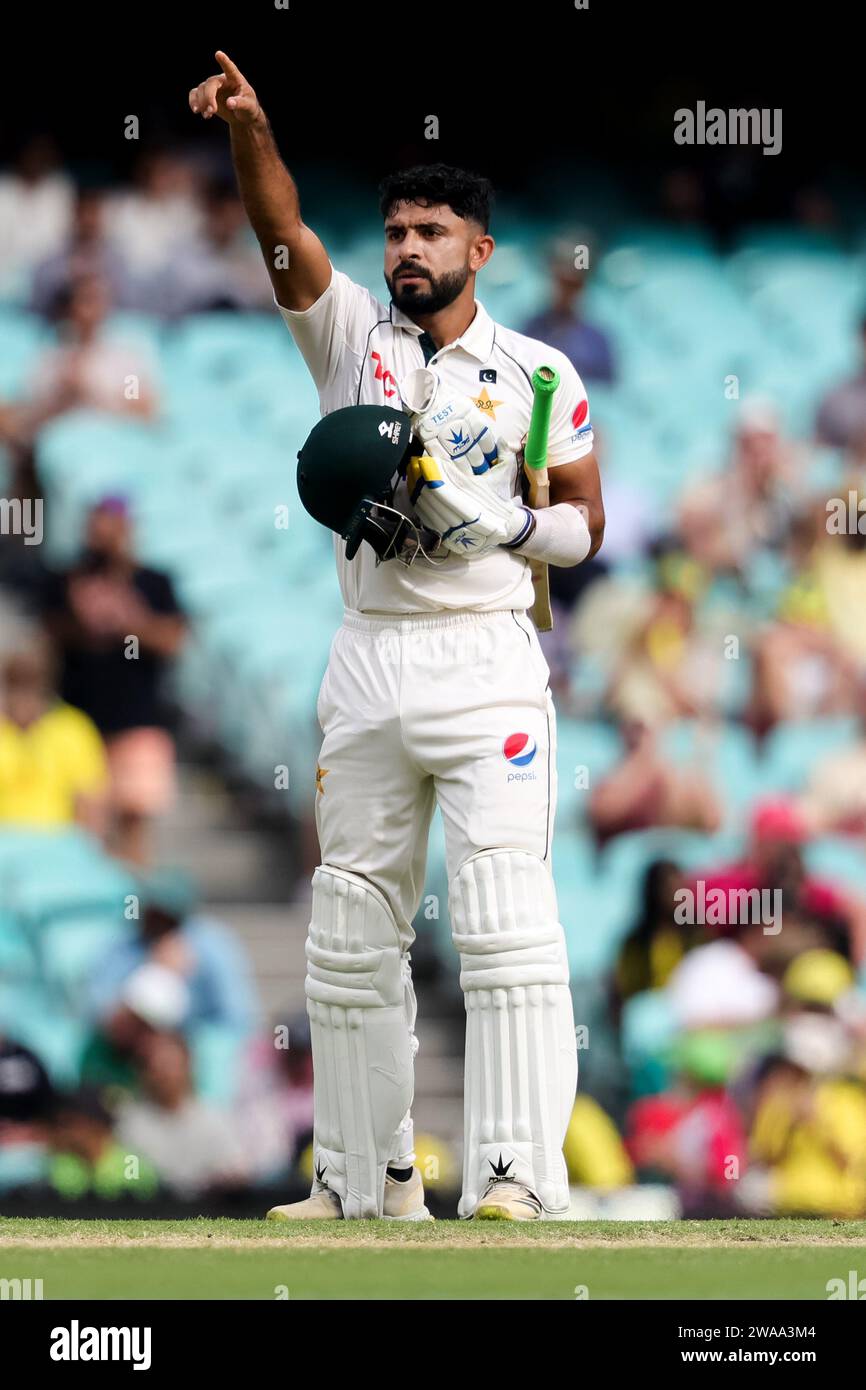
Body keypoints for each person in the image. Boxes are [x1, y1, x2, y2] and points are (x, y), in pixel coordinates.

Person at [189, 51, 605, 1222]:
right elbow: (279, 234)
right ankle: (356, 1181)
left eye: (431, 230)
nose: (406, 247)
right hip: (368, 655)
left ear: (480, 250)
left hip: (484, 653)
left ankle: (514, 1177)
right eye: (395, 229)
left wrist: (500, 518)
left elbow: (585, 524)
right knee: (347, 925)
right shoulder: (347, 338)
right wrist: (250, 134)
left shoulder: (536, 374)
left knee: (504, 918)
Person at [41, 496, 187, 866]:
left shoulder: (154, 582)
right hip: (79, 722)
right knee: (83, 826)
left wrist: (126, 618)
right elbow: (50, 636)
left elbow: (172, 640)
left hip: (137, 719)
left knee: (134, 825)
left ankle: (132, 906)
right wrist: (86, 620)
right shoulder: (66, 580)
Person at [0, 637, 108, 834]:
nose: (23, 696)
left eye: (31, 684)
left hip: (57, 844)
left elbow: (90, 802)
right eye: (17, 684)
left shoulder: (73, 728)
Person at [522, 235, 616, 385]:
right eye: (562, 281)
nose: (566, 290)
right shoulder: (530, 331)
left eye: (574, 284)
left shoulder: (597, 341)